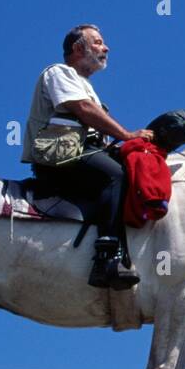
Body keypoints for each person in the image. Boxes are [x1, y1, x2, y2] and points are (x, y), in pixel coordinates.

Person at [21, 23, 153, 290]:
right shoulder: (58, 73)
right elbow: (83, 109)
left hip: (83, 150)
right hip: (59, 153)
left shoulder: (86, 85)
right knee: (116, 175)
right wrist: (127, 135)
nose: (106, 48)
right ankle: (106, 258)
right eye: (98, 42)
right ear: (77, 48)